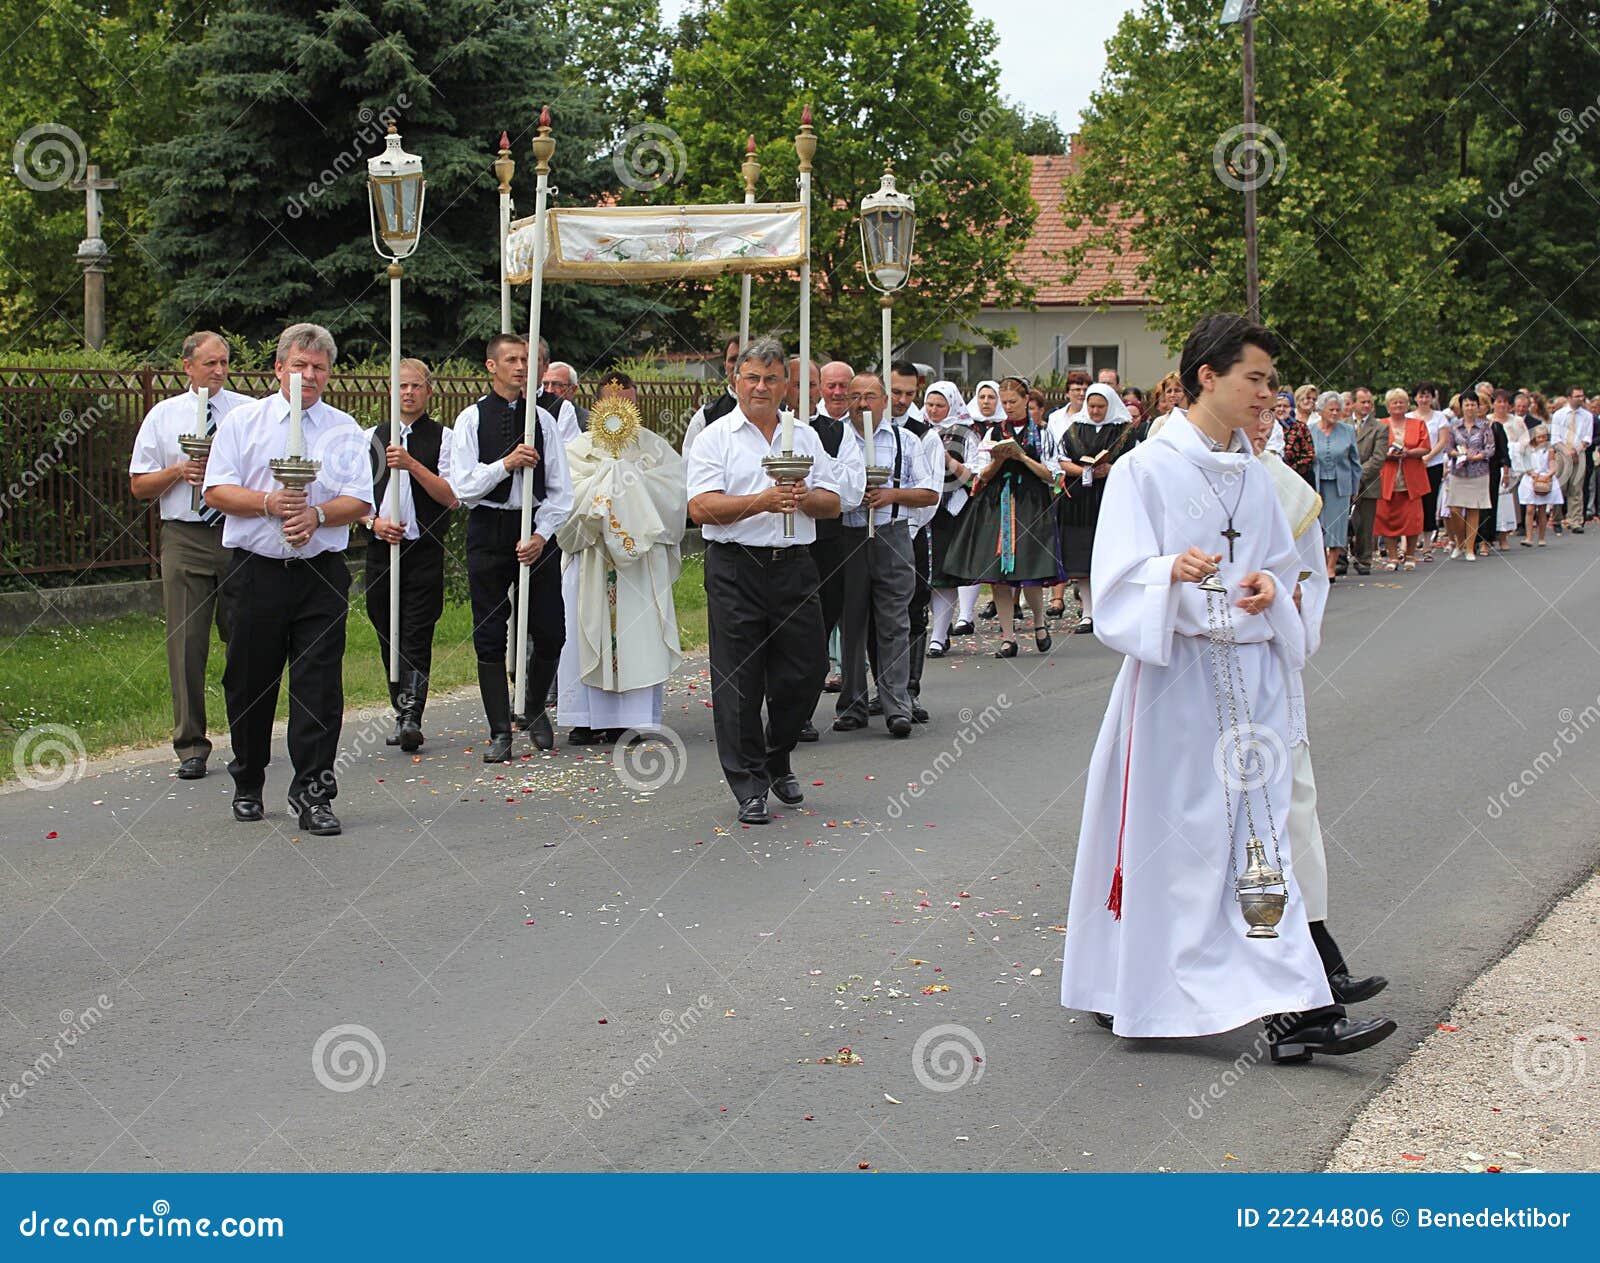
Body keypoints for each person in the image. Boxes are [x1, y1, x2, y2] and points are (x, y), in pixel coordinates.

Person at [1061, 311, 1392, 1063]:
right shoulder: (1148, 469)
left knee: (1260, 845)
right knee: (1180, 853)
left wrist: (1268, 587)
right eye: (1256, 378)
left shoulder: (1254, 475)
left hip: (1255, 680)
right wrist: (1167, 576)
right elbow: (1113, 587)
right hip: (1179, 685)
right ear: (1206, 376)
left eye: (1273, 381)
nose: (1269, 394)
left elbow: (1289, 569)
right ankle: (1141, 986)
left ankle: (1293, 1007)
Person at [202, 323, 374, 836]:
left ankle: (314, 795)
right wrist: (268, 504)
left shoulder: (344, 429)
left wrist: (318, 516)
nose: (309, 375)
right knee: (250, 681)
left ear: (329, 374)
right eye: (299, 365)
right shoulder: (244, 422)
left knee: (319, 687)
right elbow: (215, 489)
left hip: (319, 575)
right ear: (279, 368)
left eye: (319, 368)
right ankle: (248, 779)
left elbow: (360, 499)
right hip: (256, 571)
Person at [1248, 406, 1391, 1017]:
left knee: (1294, 813)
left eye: (1266, 407)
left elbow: (1310, 577)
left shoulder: (1284, 487)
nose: (1257, 421)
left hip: (1274, 666)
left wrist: (1295, 619)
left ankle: (1318, 959)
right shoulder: (1177, 478)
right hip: (1208, 677)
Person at [686, 337, 845, 825]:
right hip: (735, 566)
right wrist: (762, 499)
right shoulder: (716, 436)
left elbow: (834, 502)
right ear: (736, 380)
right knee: (738, 680)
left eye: (771, 379)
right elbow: (699, 508)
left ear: (785, 386)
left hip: (794, 563)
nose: (760, 387)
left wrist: (804, 498)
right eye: (752, 377)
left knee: (808, 669)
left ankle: (777, 753)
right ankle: (750, 784)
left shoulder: (804, 436)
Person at [128, 331, 254, 781]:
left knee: (246, 640)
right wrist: (179, 471)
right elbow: (139, 485)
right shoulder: (163, 416)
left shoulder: (245, 411)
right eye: (210, 364)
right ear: (187, 367)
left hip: (235, 533)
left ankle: (249, 739)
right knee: (186, 644)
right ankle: (191, 745)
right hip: (184, 535)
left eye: (224, 363)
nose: (219, 371)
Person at [448, 333, 573, 762]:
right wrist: (506, 464)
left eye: (526, 360)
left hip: (535, 531)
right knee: (489, 632)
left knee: (551, 630)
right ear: (491, 366)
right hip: (488, 529)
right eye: (512, 360)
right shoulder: (469, 419)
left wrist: (540, 535)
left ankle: (534, 706)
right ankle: (500, 728)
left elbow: (561, 490)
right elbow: (462, 487)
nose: (521, 367)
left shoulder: (545, 421)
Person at [555, 371, 685, 745]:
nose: (619, 408)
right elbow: (565, 496)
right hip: (592, 558)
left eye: (627, 401)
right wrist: (602, 490)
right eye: (612, 402)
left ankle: (634, 718)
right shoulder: (578, 450)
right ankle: (584, 718)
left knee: (638, 635)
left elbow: (674, 495)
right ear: (597, 405)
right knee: (581, 632)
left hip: (638, 566)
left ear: (636, 404)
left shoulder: (654, 448)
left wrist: (628, 482)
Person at [361, 357, 458, 751]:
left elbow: (451, 497)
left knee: (417, 630)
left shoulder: (443, 437)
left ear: (428, 391)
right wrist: (372, 522)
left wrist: (412, 463)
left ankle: (411, 716)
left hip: (423, 549)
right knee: (387, 629)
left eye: (416, 386)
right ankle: (399, 707)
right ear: (391, 391)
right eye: (401, 386)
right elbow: (355, 495)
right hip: (382, 548)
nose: (408, 392)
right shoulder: (370, 437)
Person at [833, 373, 937, 737]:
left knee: (895, 620)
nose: (863, 403)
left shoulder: (904, 440)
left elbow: (928, 493)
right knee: (852, 622)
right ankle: (852, 703)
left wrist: (892, 495)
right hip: (849, 534)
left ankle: (897, 704)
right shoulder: (837, 437)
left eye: (871, 396)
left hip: (893, 536)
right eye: (856, 396)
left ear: (885, 400)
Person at [942, 377, 1060, 657]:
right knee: (999, 575)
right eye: (1003, 402)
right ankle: (1008, 637)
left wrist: (1023, 458)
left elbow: (1052, 475)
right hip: (998, 504)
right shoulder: (993, 432)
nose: (1008, 407)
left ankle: (1039, 622)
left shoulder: (1042, 433)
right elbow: (980, 476)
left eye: (1013, 402)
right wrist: (998, 460)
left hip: (1031, 503)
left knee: (1029, 569)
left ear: (1026, 400)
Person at [885, 360, 942, 722]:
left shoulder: (926, 435)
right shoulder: (861, 429)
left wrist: (905, 525)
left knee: (913, 610)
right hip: (869, 535)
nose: (902, 400)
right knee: (877, 614)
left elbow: (930, 490)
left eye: (909, 394)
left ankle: (909, 689)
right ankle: (882, 688)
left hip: (910, 533)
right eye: (895, 392)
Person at [1056, 384, 1138, 633]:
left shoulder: (1124, 431)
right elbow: (1061, 460)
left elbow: (1135, 462)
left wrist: (1111, 469)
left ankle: (1113, 609)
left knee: (1111, 554)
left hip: (1112, 497)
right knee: (1083, 556)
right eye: (1091, 406)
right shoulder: (1074, 429)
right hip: (1080, 500)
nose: (1095, 411)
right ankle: (1088, 612)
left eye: (1100, 407)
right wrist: (1084, 471)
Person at [807, 359, 857, 707]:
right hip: (770, 546)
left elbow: (848, 493)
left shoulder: (839, 432)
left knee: (820, 624)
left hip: (827, 541)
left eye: (845, 387)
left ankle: (804, 707)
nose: (837, 393)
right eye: (829, 385)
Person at [923, 381, 981, 656]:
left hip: (952, 509)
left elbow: (973, 476)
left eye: (939, 405)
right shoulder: (917, 429)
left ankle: (938, 634)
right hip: (922, 509)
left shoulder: (966, 434)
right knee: (925, 572)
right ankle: (938, 628)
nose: (933, 410)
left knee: (944, 574)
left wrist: (947, 459)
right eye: (930, 404)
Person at [1375, 388, 1430, 570]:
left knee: (1413, 518)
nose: (1398, 405)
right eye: (1394, 402)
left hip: (1411, 478)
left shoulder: (1418, 424)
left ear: (1407, 405)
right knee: (1386, 518)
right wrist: (1388, 454)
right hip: (1387, 477)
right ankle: (1392, 557)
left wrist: (1408, 453)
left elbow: (1426, 447)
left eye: (1401, 402)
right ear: (1388, 406)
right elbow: (1374, 450)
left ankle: (1410, 555)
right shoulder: (1380, 424)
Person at [1310, 391, 1359, 581]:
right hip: (1316, 486)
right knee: (1318, 526)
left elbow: (1355, 462)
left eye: (1338, 410)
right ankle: (1321, 565)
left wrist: (1355, 488)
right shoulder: (1310, 430)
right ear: (1321, 410)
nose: (1335, 413)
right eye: (1331, 409)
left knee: (1337, 526)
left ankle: (1331, 567)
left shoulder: (1347, 430)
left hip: (1341, 486)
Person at [1444, 393, 1494, 562]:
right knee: (1454, 510)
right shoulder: (1454, 426)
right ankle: (1460, 542)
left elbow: (1490, 448)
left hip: (1478, 471)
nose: (1470, 408)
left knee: (1474, 509)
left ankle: (1470, 548)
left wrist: (1478, 456)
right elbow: (1448, 447)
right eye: (1467, 404)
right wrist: (1457, 454)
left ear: (1478, 406)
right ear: (1462, 407)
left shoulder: (1485, 426)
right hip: (1458, 471)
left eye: (1473, 404)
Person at [678, 336, 743, 456]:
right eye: (733, 359)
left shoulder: (779, 414)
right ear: (725, 366)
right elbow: (689, 465)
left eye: (746, 359)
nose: (739, 365)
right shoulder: (705, 416)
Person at [1349, 388, 1387, 574]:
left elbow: (1378, 458)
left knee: (1365, 524)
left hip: (1368, 482)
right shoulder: (1342, 424)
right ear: (1354, 403)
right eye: (1362, 402)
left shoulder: (1380, 427)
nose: (1366, 405)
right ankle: (1339, 559)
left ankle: (1364, 560)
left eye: (1369, 402)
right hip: (1343, 481)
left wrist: (1357, 475)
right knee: (1342, 522)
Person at [1412, 381, 1451, 557]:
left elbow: (1443, 441)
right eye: (1421, 395)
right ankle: (1411, 541)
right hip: (1412, 464)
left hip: (1433, 464)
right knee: (1412, 502)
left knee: (1430, 502)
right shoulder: (1409, 416)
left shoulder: (1440, 417)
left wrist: (1428, 457)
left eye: (1427, 395)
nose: (1424, 399)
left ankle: (1428, 543)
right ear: (1415, 398)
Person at [1550, 386, 1591, 533]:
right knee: (1560, 485)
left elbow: (1587, 437)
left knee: (1576, 486)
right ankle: (1556, 518)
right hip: (1562, 453)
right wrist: (1567, 451)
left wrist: (1576, 450)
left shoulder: (1587, 416)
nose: (1581, 398)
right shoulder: (1559, 415)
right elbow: (1555, 437)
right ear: (1569, 398)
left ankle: (1575, 520)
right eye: (1577, 396)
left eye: (1582, 396)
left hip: (1579, 452)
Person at [1517, 424, 1561, 546]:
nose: (1542, 440)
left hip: (1544, 478)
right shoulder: (1528, 449)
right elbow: (1525, 464)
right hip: (1531, 478)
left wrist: (1548, 475)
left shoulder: (1550, 450)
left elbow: (1552, 466)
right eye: (1539, 437)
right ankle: (1529, 537)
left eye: (1544, 437)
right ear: (1534, 438)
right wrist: (1532, 473)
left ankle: (1541, 538)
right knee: (1530, 509)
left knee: (1542, 509)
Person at [542, 361, 588, 432]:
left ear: (573, 389)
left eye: (557, 384)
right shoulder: (534, 416)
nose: (549, 390)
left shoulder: (588, 422)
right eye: (545, 384)